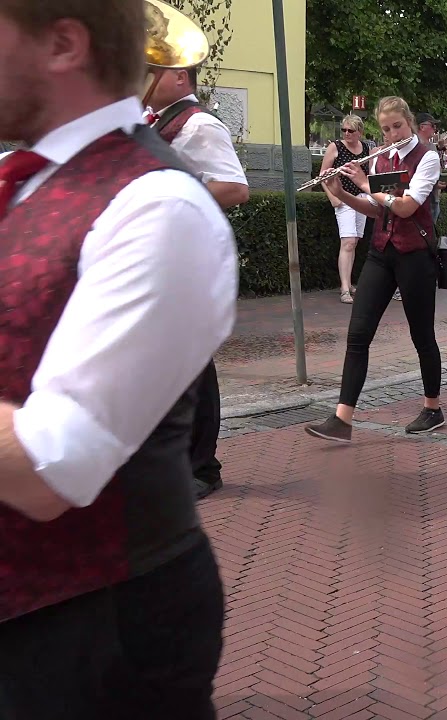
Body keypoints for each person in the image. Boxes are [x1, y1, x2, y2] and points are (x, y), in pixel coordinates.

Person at [0, 1, 236, 715]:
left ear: (63, 44)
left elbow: (53, 463)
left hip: (91, 631)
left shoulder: (160, 205)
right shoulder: (24, 177)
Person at [305, 96, 445, 442]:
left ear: (409, 122)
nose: (392, 134)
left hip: (415, 256)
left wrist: (367, 184)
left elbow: (407, 207)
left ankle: (432, 407)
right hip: (382, 252)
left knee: (422, 335)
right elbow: (375, 209)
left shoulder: (427, 157)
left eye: (397, 126)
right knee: (358, 334)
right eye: (385, 129)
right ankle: (342, 419)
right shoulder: (381, 158)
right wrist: (341, 193)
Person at [145, 57, 249, 502]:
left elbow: (235, 187)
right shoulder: (152, 121)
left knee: (193, 366)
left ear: (179, 77)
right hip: (160, 259)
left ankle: (203, 467)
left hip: (185, 262)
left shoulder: (198, 125)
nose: (144, 78)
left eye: (153, 70)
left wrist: (166, 198)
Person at [320, 115, 370, 304]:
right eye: (344, 130)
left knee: (354, 241)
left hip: (361, 198)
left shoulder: (366, 148)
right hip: (344, 198)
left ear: (359, 132)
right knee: (347, 241)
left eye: (351, 130)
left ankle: (348, 283)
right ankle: (344, 288)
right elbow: (322, 175)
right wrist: (333, 197)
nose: (347, 134)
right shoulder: (336, 147)